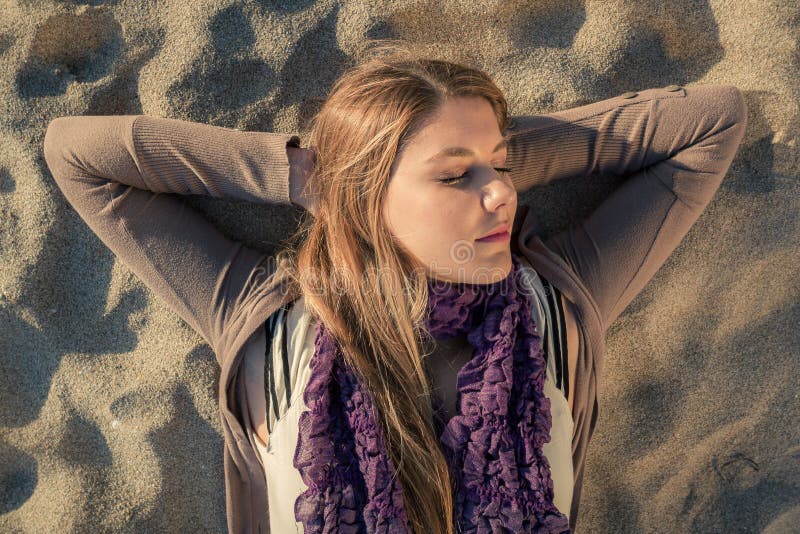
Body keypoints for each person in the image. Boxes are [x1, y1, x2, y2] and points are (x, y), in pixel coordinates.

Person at [42, 40, 747, 533]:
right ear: (365, 195)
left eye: (502, 167)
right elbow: (78, 155)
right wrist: (319, 178)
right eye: (454, 175)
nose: (502, 193)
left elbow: (711, 120)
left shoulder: (559, 303)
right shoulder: (265, 319)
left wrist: (479, 158)